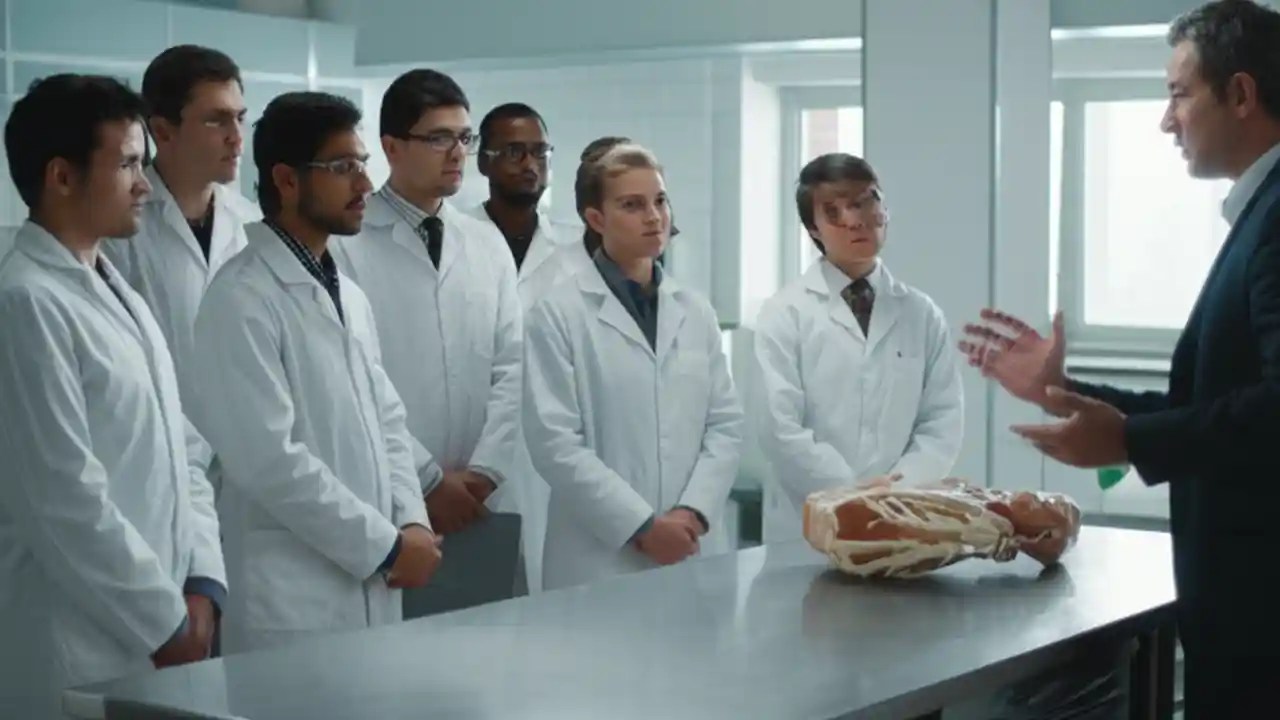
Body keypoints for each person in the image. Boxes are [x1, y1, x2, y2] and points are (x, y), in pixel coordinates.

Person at [959, 1, 1280, 715]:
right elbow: (1217, 400)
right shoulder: (1258, 214)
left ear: (1241, 94)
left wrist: (1131, 439)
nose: (1167, 120)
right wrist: (1064, 393)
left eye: (1177, 93)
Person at [0, 74, 225, 710]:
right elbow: (62, 497)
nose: (145, 185)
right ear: (61, 176)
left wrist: (203, 583)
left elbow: (184, 448)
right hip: (79, 640)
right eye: (127, 163)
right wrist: (165, 622)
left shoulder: (111, 287)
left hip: (165, 627)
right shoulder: (25, 303)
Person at [190, 91, 441, 653]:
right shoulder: (241, 297)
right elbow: (266, 459)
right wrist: (385, 545)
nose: (364, 186)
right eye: (342, 168)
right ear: (286, 180)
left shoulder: (346, 293)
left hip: (374, 583)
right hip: (294, 596)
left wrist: (413, 522)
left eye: (362, 165)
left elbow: (388, 422)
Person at [331, 70, 526, 604]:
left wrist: (485, 470)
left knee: (481, 666)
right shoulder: (345, 245)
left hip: (482, 501)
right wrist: (427, 481)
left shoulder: (486, 243)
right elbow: (356, 378)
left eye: (465, 138)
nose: (457, 153)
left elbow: (513, 368)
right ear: (391, 146)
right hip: (392, 502)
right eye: (439, 138)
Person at [522, 142, 743, 591]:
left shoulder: (694, 310)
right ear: (596, 218)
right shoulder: (558, 312)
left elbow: (725, 425)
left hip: (688, 546)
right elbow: (556, 444)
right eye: (632, 205)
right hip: (599, 556)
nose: (654, 216)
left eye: (660, 201)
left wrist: (692, 514)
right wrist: (642, 526)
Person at [754, 153, 963, 542]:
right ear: (813, 229)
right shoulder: (784, 313)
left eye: (866, 201)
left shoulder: (921, 314)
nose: (855, 220)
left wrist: (897, 491)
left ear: (885, 209)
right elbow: (779, 427)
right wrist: (850, 493)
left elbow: (941, 419)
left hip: (903, 516)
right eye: (834, 211)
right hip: (812, 526)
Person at [102, 45, 260, 412]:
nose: (236, 137)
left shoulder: (250, 222)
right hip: (167, 452)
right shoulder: (117, 234)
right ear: (162, 130)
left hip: (249, 450)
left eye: (240, 118)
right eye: (216, 120)